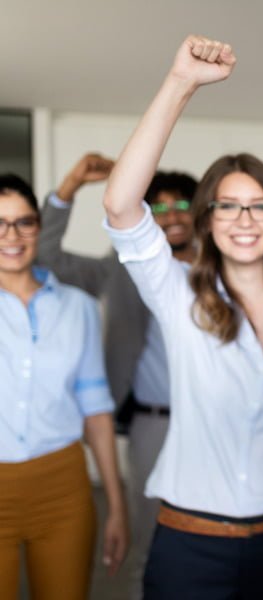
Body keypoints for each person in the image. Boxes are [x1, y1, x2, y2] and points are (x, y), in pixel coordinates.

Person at [102, 36, 263, 599]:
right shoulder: (179, 294)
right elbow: (120, 205)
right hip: (189, 543)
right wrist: (180, 83)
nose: (245, 219)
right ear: (207, 219)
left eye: (260, 205)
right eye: (228, 205)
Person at [37, 155, 198, 598]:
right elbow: (44, 256)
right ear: (144, 216)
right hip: (153, 423)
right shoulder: (122, 268)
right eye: (159, 208)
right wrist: (69, 187)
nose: (173, 215)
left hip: (222, 423)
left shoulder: (228, 270)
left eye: (183, 204)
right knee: (152, 539)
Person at [0, 174, 128, 599]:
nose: (11, 235)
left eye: (23, 222)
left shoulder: (79, 307)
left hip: (62, 486)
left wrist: (115, 502)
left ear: (39, 227)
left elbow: (95, 408)